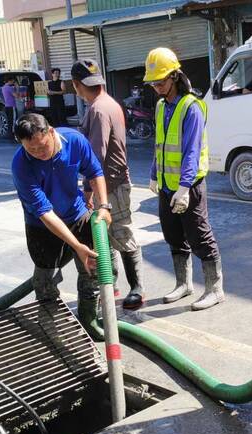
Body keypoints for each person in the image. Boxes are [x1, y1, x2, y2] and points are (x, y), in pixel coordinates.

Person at [10, 113, 112, 340]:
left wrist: (103, 206)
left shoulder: (74, 141)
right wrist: (76, 245)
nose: (39, 153)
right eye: (31, 150)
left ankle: (88, 319)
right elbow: (45, 213)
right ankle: (52, 325)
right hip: (42, 225)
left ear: (51, 131)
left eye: (42, 146)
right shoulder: (21, 165)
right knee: (45, 279)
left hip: (76, 214)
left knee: (93, 267)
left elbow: (95, 172)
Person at [143, 47, 225, 311]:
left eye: (161, 81)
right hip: (167, 186)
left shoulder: (192, 108)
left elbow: (191, 150)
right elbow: (160, 144)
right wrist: (155, 175)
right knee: (173, 234)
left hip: (188, 186)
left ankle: (215, 289)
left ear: (175, 77)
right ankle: (184, 284)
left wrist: (184, 188)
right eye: (153, 83)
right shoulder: (160, 106)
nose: (156, 87)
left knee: (199, 236)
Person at [71, 59, 145, 310]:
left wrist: (89, 190)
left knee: (121, 234)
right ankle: (110, 285)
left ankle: (137, 289)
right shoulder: (109, 103)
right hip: (112, 181)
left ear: (76, 85)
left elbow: (96, 154)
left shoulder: (98, 110)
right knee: (106, 236)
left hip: (111, 183)